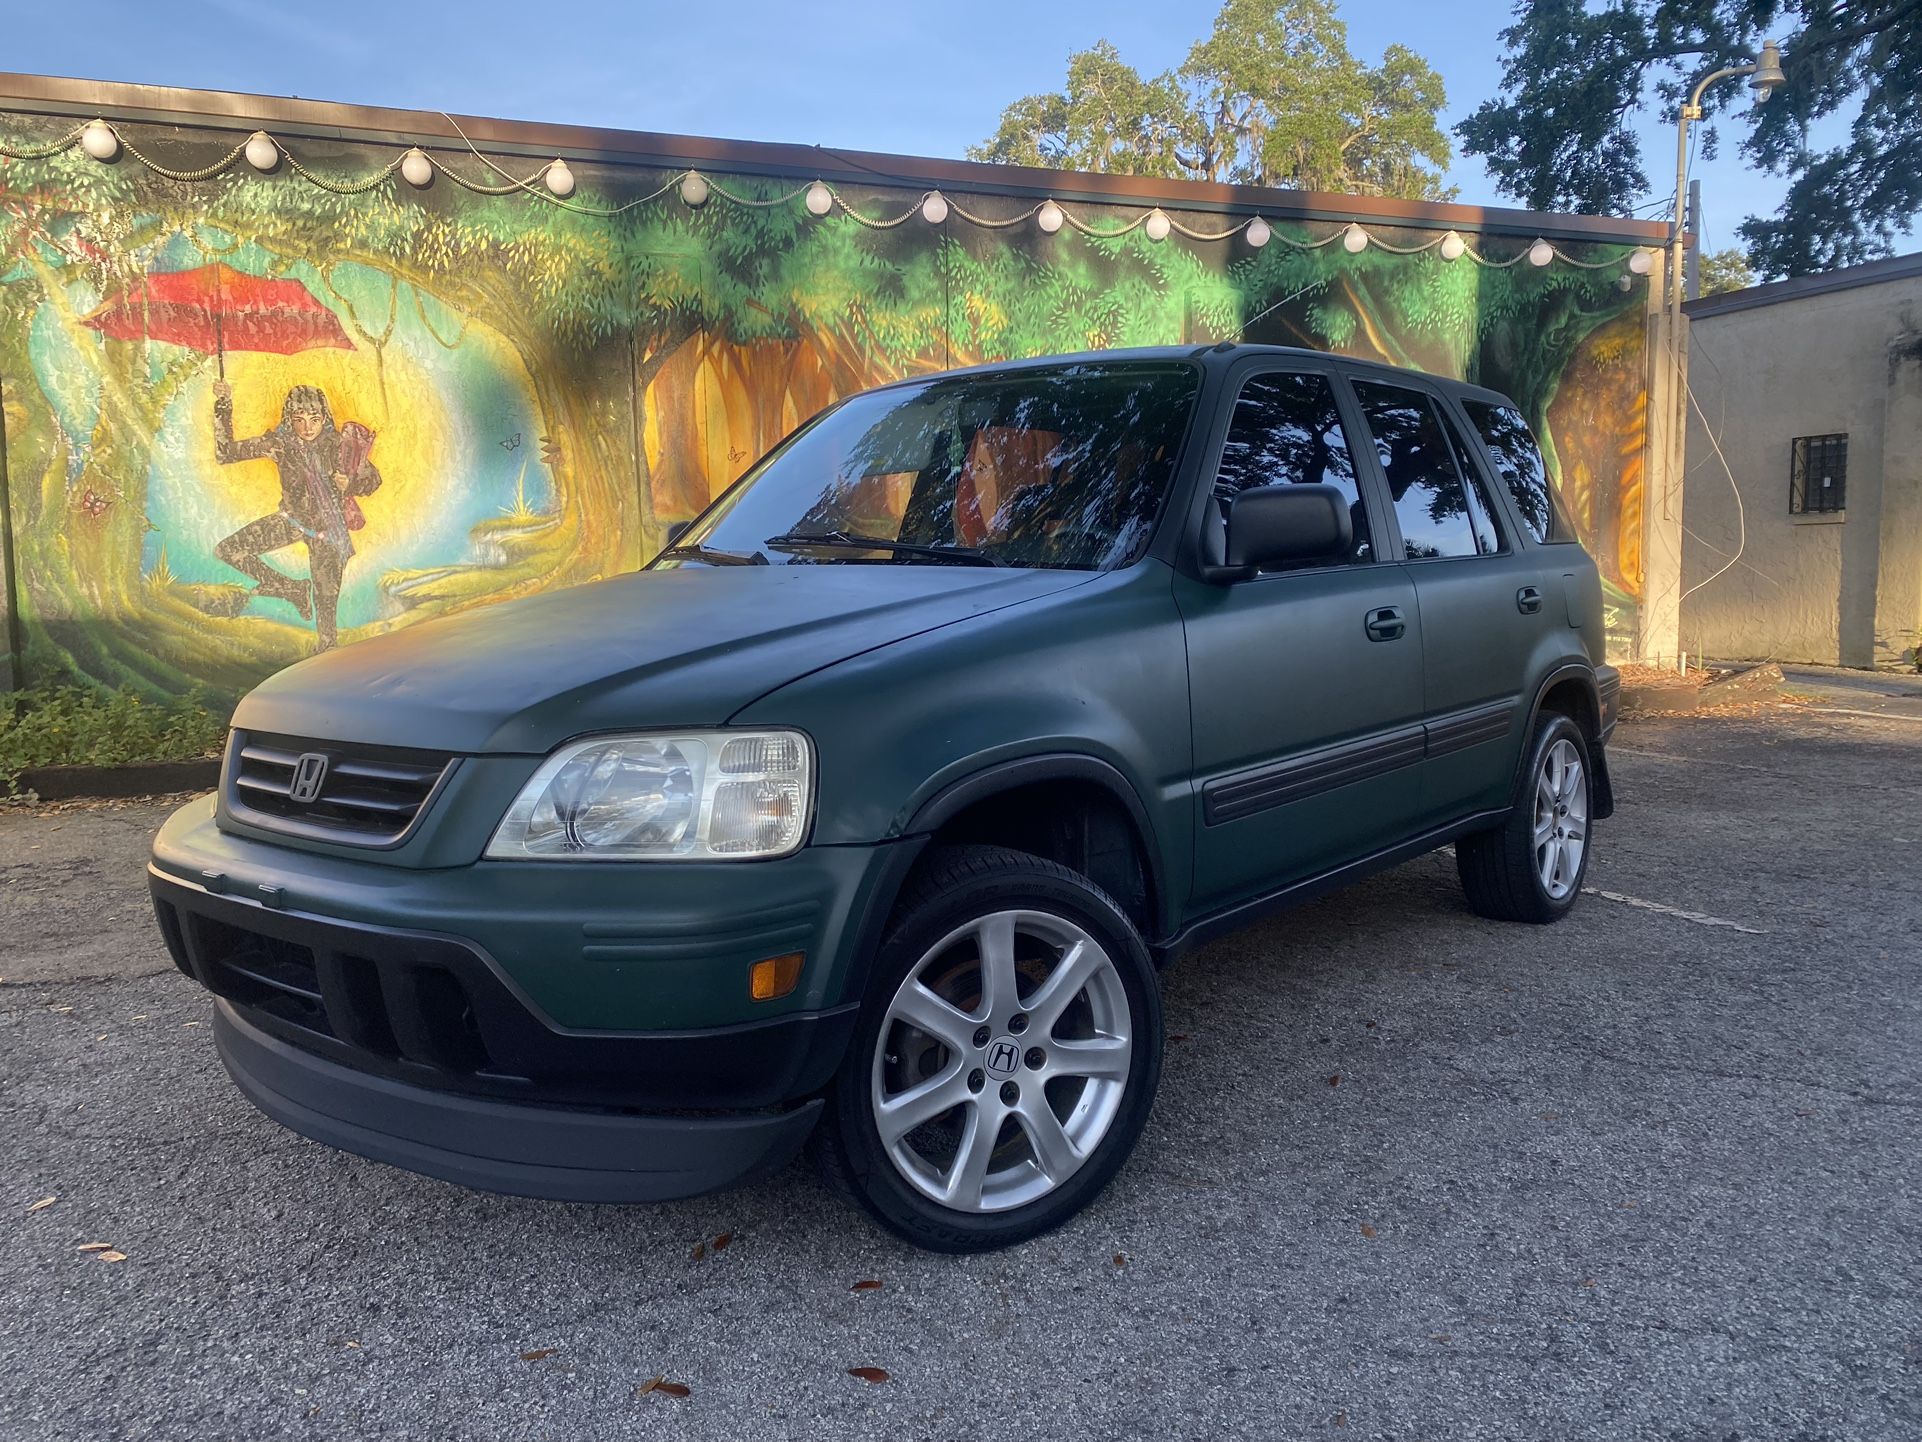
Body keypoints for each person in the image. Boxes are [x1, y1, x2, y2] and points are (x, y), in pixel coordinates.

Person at [211, 381, 380, 651]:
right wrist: (223, 405)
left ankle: (325, 669)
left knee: (327, 631)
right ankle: (291, 589)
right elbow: (225, 454)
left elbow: (373, 479)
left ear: (324, 418)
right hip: (292, 521)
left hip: (329, 533)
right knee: (227, 550)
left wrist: (349, 483)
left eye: (314, 419)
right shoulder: (280, 443)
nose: (307, 427)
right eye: (299, 419)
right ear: (289, 419)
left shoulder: (338, 445)